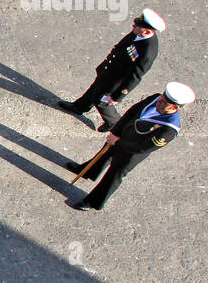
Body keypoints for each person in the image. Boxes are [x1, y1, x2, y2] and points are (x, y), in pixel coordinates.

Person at [67, 82, 194, 211]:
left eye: (164, 104)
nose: (159, 103)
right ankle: (87, 170)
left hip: (131, 153)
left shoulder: (170, 129)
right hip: (121, 136)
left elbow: (143, 147)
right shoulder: (155, 98)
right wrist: (116, 131)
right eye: (161, 99)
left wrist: (117, 142)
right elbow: (132, 112)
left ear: (175, 108)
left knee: (112, 176)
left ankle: (93, 202)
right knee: (104, 155)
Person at [58, 9, 165, 130]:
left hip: (116, 81)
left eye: (137, 25)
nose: (133, 25)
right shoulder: (138, 33)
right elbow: (121, 47)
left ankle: (114, 123)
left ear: (146, 32)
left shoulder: (147, 52)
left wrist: (117, 96)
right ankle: (80, 106)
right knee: (94, 89)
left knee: (102, 101)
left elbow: (135, 76)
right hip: (109, 71)